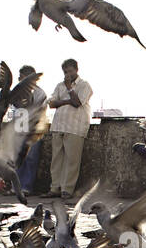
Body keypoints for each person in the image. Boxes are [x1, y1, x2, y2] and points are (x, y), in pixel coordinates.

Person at [46, 58, 92, 199]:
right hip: (59, 125)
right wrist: (66, 101)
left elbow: (77, 102)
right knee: (56, 159)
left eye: (70, 71)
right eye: (66, 72)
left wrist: (69, 88)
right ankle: (55, 188)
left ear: (76, 70)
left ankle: (67, 189)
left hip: (75, 126)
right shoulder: (59, 85)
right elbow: (52, 103)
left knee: (72, 160)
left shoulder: (84, 85)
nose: (68, 74)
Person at [14, 66, 47, 195]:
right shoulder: (18, 91)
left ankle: (26, 187)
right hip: (19, 128)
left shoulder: (40, 93)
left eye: (21, 77)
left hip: (33, 130)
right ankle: (16, 186)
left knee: (31, 159)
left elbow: (35, 108)